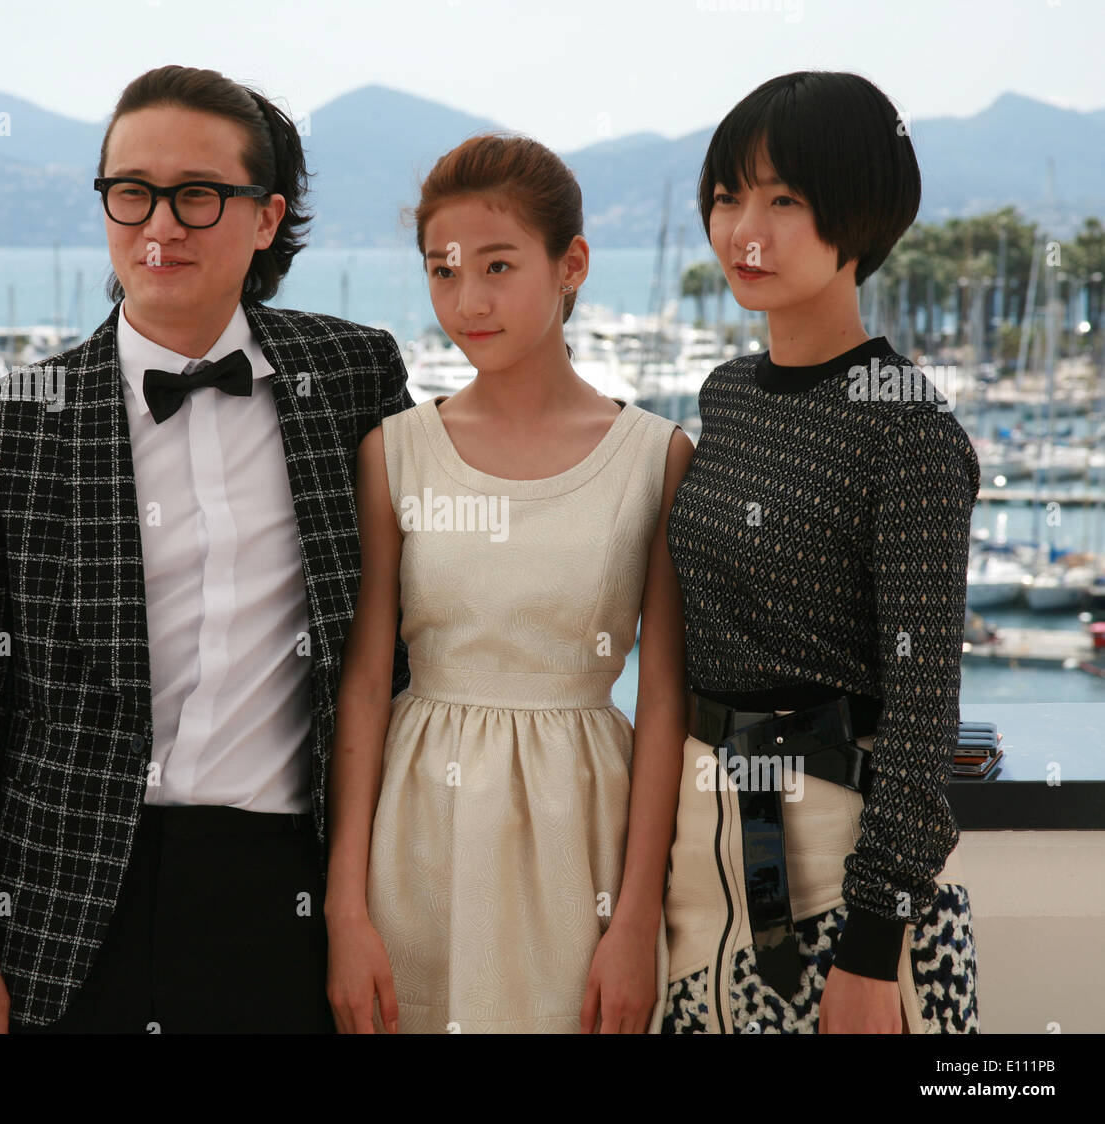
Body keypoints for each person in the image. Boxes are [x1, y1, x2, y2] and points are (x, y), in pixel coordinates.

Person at [0, 65, 414, 1033]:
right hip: (66, 897)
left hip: (291, 888)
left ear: (266, 218)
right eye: (130, 191)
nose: (159, 225)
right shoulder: (4, 421)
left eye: (198, 195)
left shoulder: (352, 372)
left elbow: (410, 626)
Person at [324, 133, 696, 1033]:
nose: (469, 301)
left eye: (498, 266)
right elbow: (369, 684)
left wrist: (637, 917)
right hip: (416, 836)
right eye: (442, 272)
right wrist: (344, 911)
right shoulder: (395, 451)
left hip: (584, 833)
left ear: (570, 265)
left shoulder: (655, 457)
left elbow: (666, 698)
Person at [661, 71, 980, 1034]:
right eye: (727, 197)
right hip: (702, 849)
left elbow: (925, 708)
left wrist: (873, 948)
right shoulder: (727, 395)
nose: (743, 231)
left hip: (842, 872)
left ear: (861, 217)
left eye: (784, 200)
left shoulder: (911, 429)